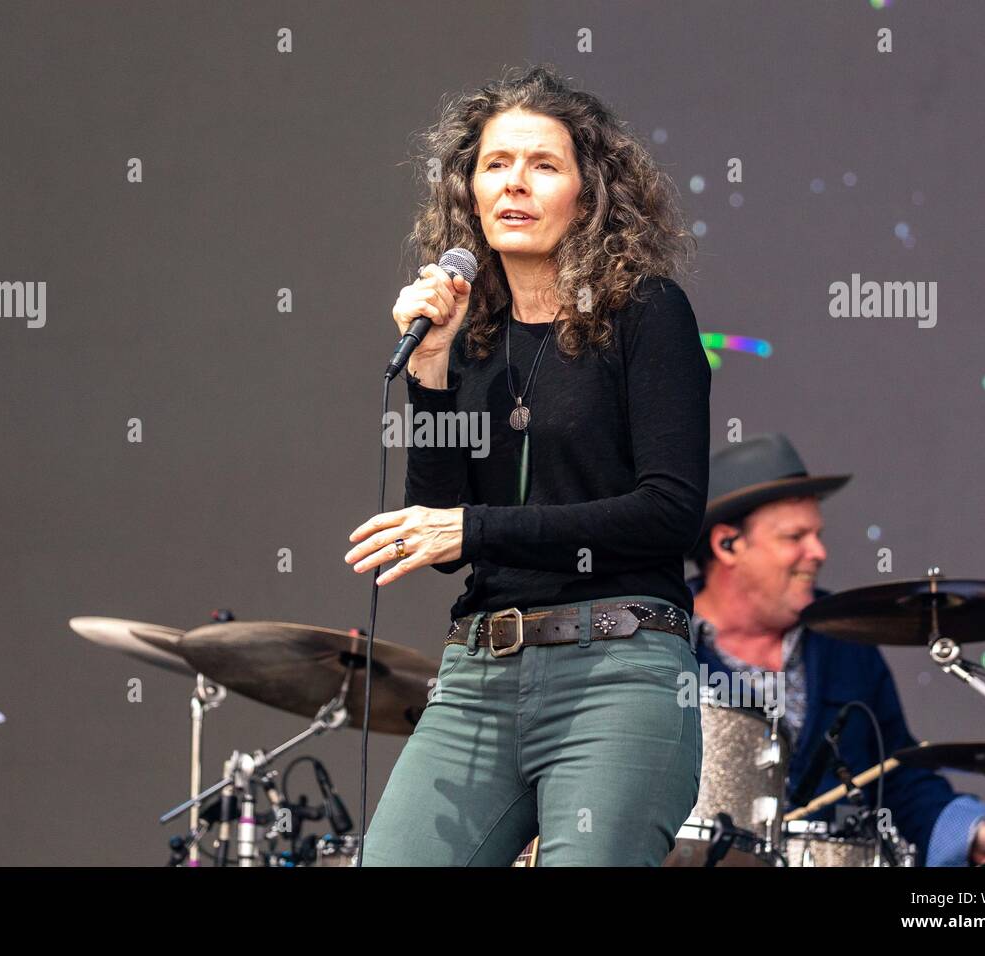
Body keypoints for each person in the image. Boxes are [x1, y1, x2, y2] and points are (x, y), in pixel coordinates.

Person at [343, 64, 710, 865]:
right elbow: (437, 535)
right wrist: (432, 374)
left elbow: (669, 510)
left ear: (591, 193)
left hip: (617, 668)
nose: (515, 184)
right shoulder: (470, 337)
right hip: (480, 672)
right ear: (467, 191)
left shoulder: (645, 312)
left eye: (543, 166)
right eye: (495, 165)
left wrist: (470, 528)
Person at [688, 433, 985, 865]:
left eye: (818, 535)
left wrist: (975, 831)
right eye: (796, 537)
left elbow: (898, 779)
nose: (819, 552)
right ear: (727, 544)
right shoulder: (661, 642)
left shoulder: (845, 642)